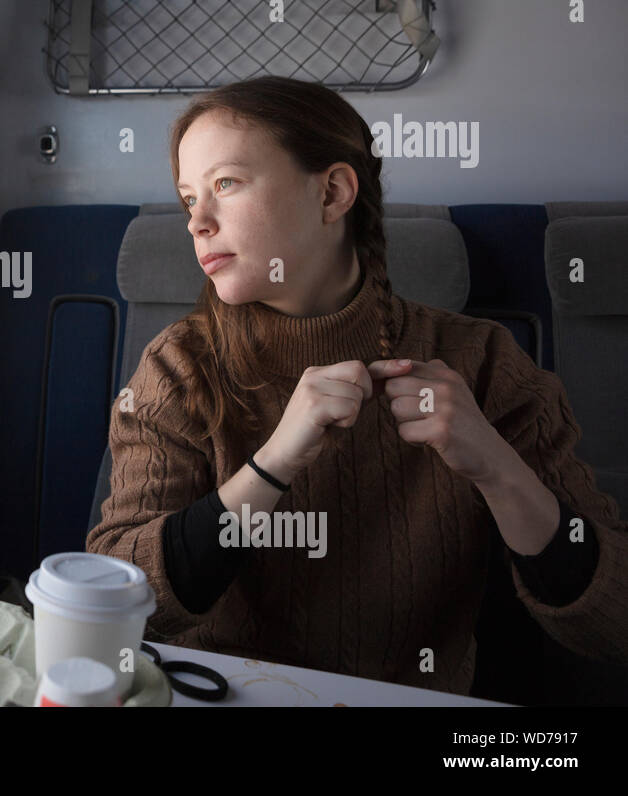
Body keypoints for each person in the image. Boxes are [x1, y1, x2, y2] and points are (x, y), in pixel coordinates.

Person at [85, 76, 628, 699]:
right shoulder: (178, 368)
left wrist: (499, 470)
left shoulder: (482, 363)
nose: (197, 223)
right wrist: (269, 468)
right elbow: (117, 599)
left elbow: (614, 623)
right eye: (187, 200)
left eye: (225, 184)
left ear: (334, 192)